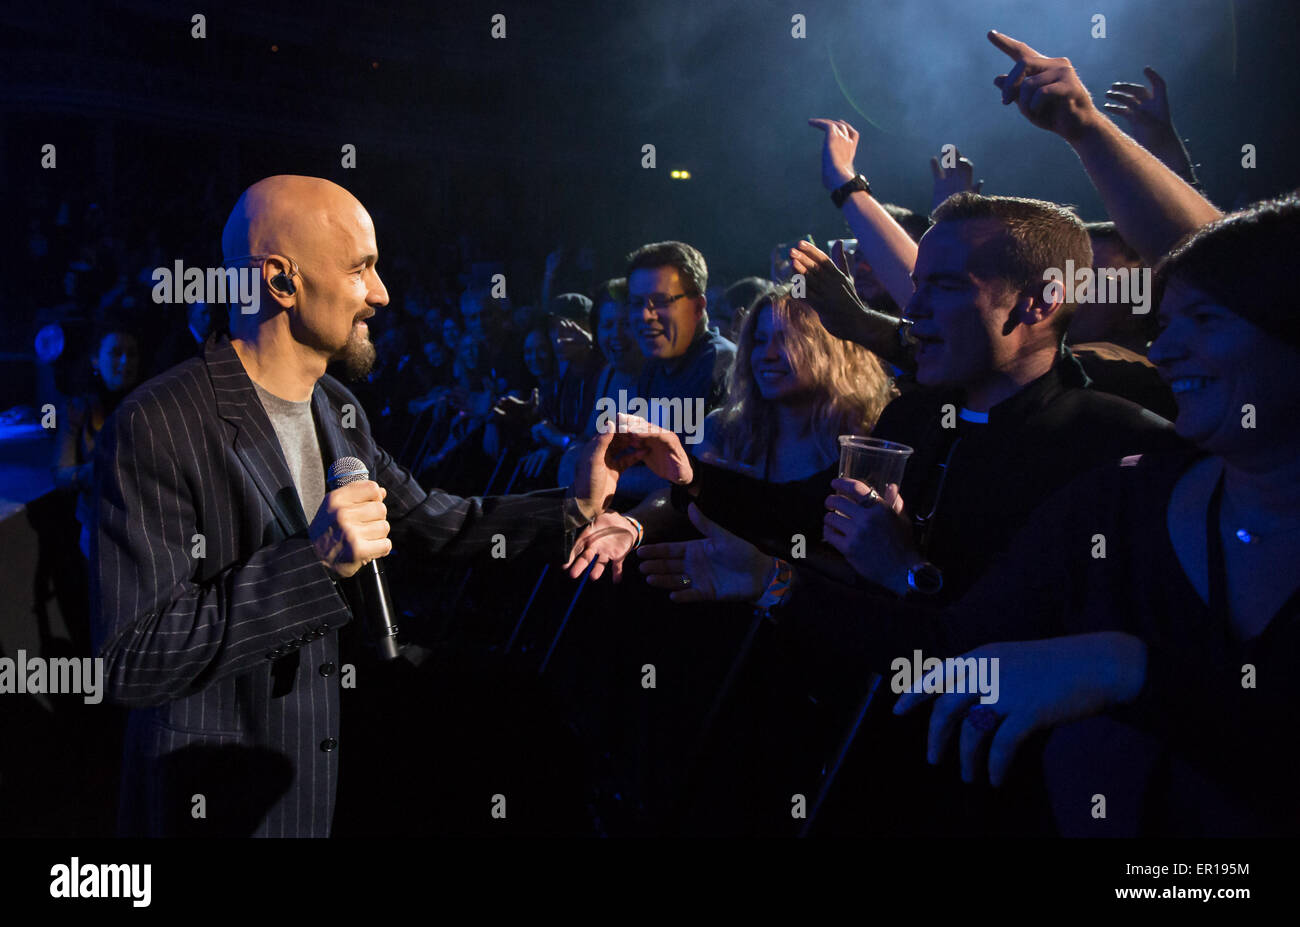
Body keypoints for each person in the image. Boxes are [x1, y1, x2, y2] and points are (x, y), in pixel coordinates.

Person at [89, 175, 685, 837]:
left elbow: (436, 520)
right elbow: (130, 658)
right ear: (281, 282)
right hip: (213, 801)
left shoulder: (339, 409)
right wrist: (314, 563)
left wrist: (574, 503)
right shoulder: (157, 423)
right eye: (360, 268)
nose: (381, 293)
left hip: (320, 779)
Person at [54, 313, 141, 557]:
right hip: (98, 529)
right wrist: (96, 471)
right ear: (95, 359)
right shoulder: (78, 408)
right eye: (115, 353)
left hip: (145, 530)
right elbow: (61, 474)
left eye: (132, 353)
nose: (125, 362)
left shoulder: (150, 406)